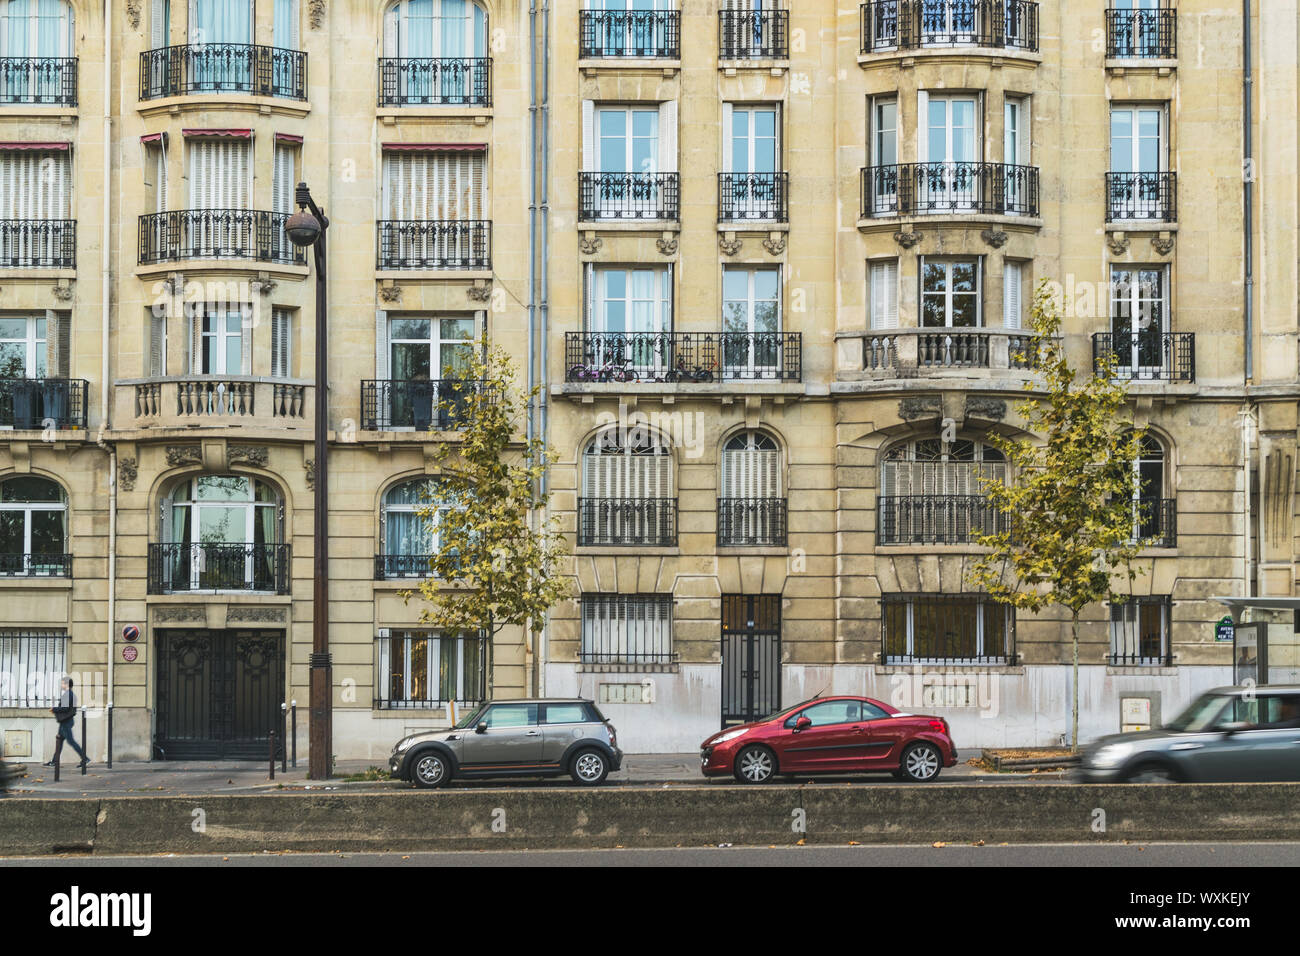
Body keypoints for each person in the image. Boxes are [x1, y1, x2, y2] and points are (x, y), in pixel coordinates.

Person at [45, 676, 88, 770]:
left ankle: (85, 758)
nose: (62, 685)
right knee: (59, 740)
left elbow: (65, 708)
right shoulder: (70, 694)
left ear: (67, 684)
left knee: (71, 741)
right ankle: (54, 761)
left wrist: (54, 709)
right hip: (66, 721)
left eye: (63, 683)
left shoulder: (68, 694)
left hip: (66, 722)